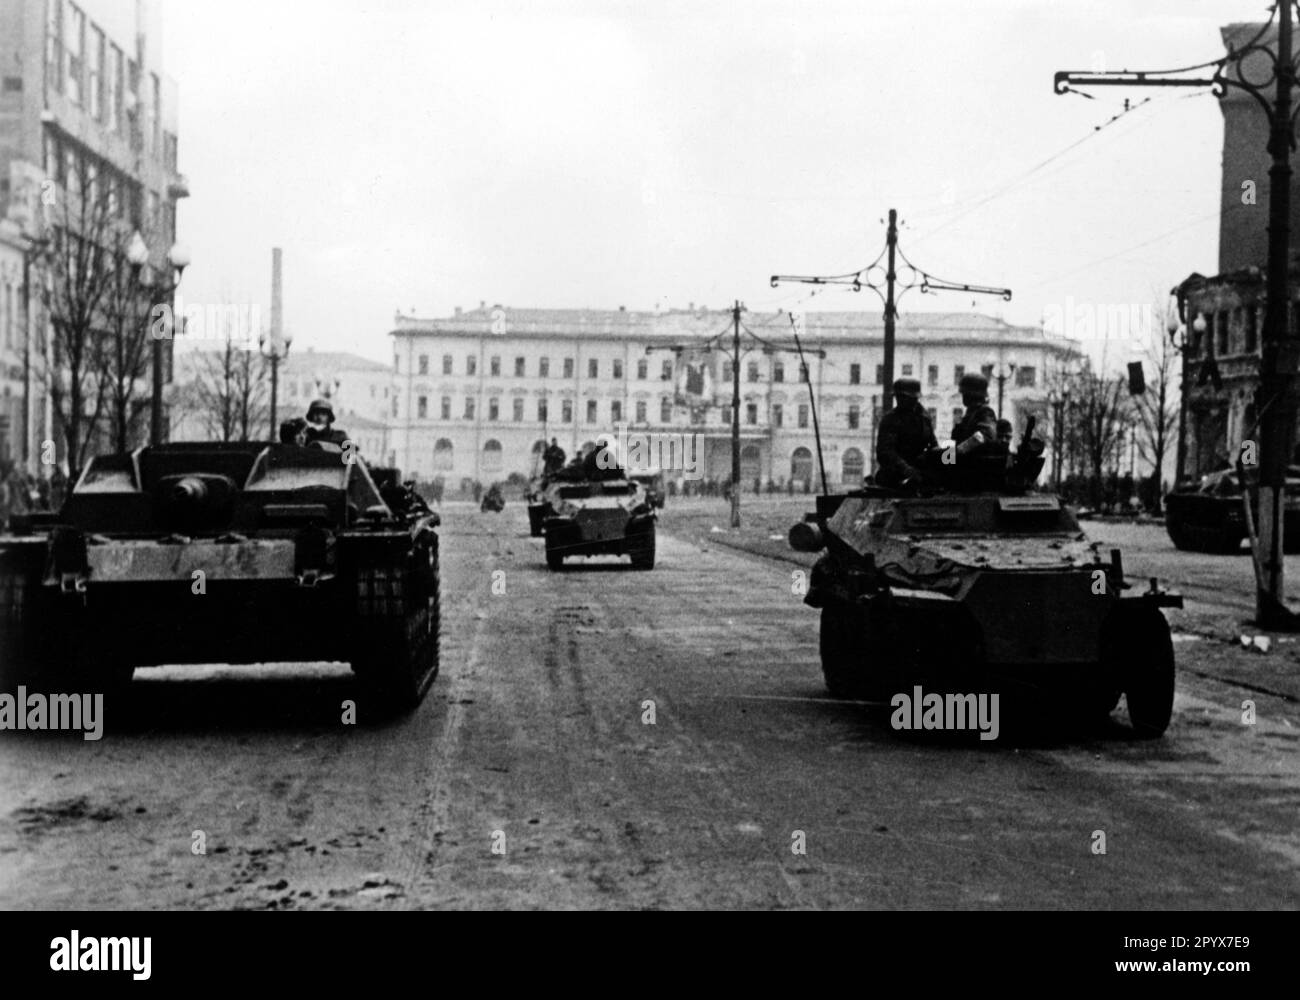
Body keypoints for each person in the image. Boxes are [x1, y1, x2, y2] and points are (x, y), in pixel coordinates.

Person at [875, 377, 938, 488]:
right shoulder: (891, 419)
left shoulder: (924, 418)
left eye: (903, 397)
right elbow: (885, 452)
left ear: (915, 398)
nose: (899, 400)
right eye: (898, 397)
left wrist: (948, 458)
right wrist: (907, 470)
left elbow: (933, 445)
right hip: (894, 476)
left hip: (919, 473)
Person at [952, 373, 998, 457]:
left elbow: (985, 435)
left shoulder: (985, 412)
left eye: (965, 394)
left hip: (975, 463)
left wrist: (958, 450)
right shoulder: (971, 413)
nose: (963, 397)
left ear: (972, 394)